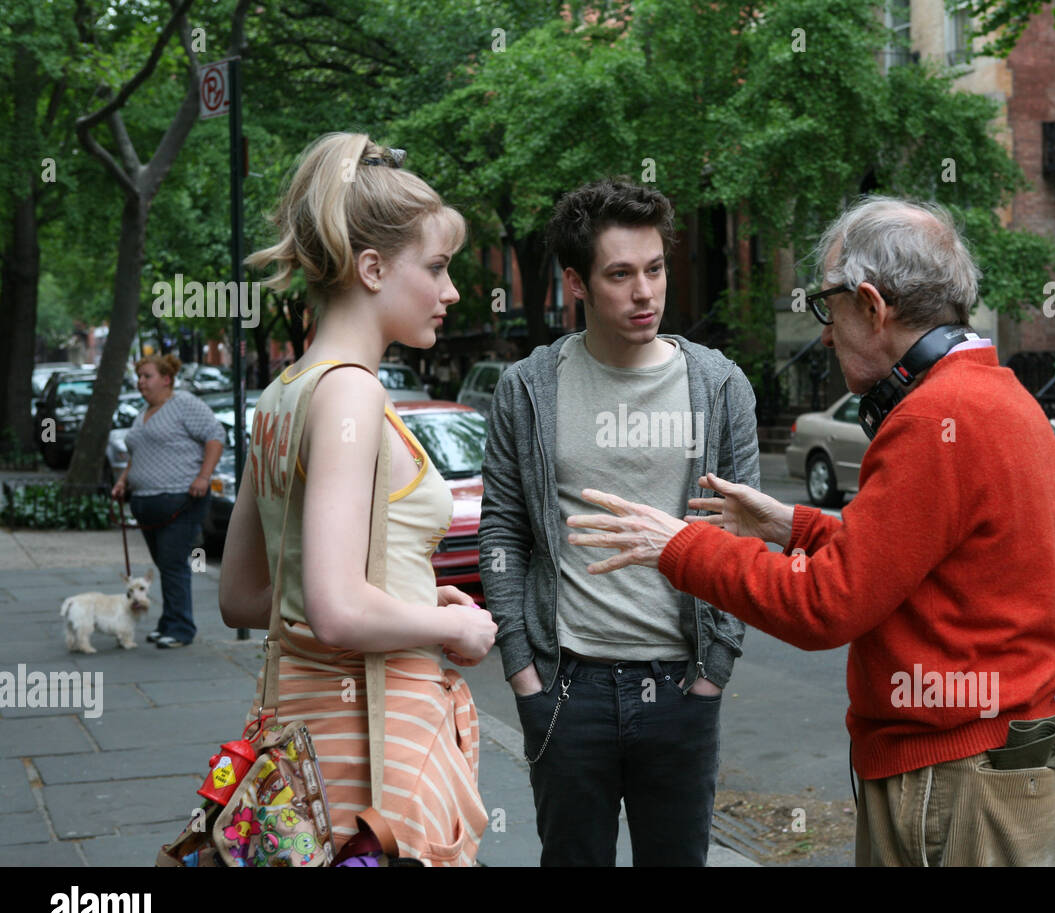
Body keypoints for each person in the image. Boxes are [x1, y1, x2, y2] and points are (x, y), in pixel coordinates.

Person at [566, 196, 1055, 867]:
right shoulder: (999, 395)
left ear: (872, 306)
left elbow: (826, 606)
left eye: (828, 308)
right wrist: (795, 525)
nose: (825, 333)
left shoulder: (936, 417)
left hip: (955, 782)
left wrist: (678, 546)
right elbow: (919, 559)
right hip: (1003, 765)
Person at [218, 133, 497, 866]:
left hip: (294, 751)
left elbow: (246, 596)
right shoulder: (353, 391)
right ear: (372, 268)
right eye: (436, 268)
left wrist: (405, 590)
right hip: (371, 756)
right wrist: (447, 631)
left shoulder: (286, 393)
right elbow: (338, 609)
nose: (452, 291)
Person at [478, 178, 761, 867]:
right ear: (576, 282)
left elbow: (742, 539)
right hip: (567, 689)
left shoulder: (719, 387)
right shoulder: (528, 389)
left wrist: (712, 674)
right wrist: (523, 672)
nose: (645, 293)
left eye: (656, 269)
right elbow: (503, 532)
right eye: (620, 274)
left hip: (681, 688)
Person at [110, 354, 223, 649]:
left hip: (181, 499)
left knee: (173, 564)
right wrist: (123, 481)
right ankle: (168, 623)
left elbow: (215, 436)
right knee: (165, 564)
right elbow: (138, 456)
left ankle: (181, 628)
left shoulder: (184, 404)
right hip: (146, 502)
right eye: (140, 377)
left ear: (167, 379)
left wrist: (204, 476)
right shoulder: (143, 412)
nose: (141, 382)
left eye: (147, 376)